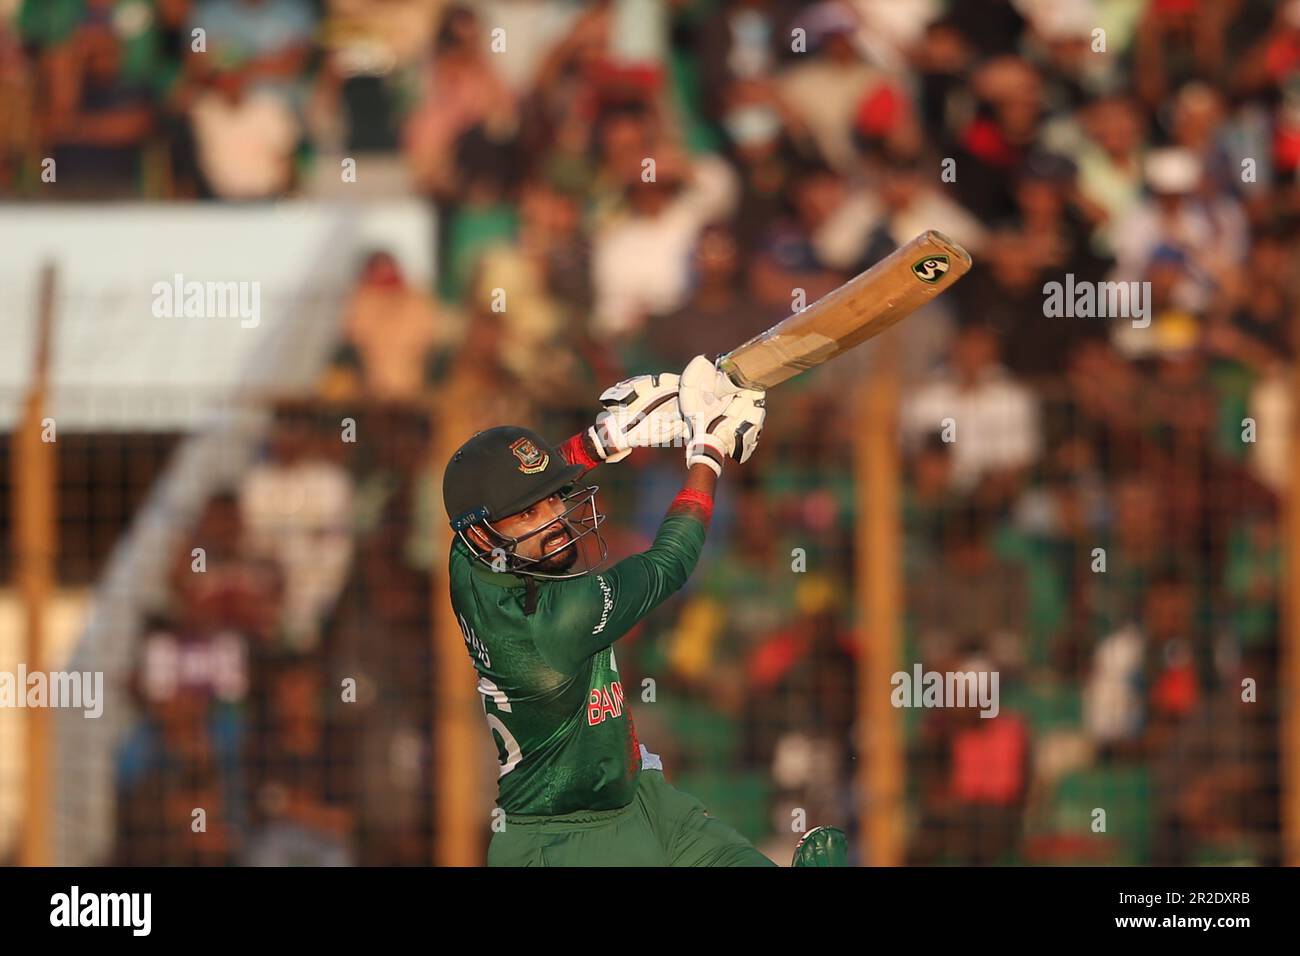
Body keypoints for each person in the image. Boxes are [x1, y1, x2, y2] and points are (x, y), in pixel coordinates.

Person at [441, 357, 847, 866]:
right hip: (564, 842)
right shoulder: (555, 622)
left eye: (551, 499)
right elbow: (669, 564)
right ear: (484, 533)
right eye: (529, 513)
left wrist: (599, 442)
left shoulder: (469, 562)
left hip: (642, 798)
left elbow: (512, 491)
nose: (556, 520)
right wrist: (708, 451)